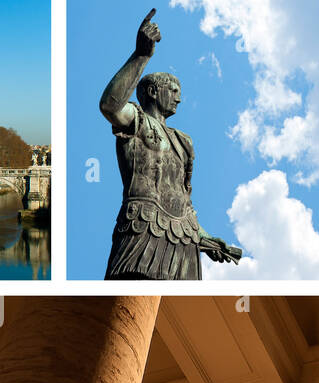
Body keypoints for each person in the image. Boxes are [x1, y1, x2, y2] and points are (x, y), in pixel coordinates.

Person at [100, 8, 239, 279]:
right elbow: (110, 105)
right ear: (152, 91)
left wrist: (207, 239)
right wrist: (142, 55)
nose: (179, 99)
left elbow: (182, 198)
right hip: (143, 227)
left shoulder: (184, 142)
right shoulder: (136, 121)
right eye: (173, 91)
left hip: (183, 239)